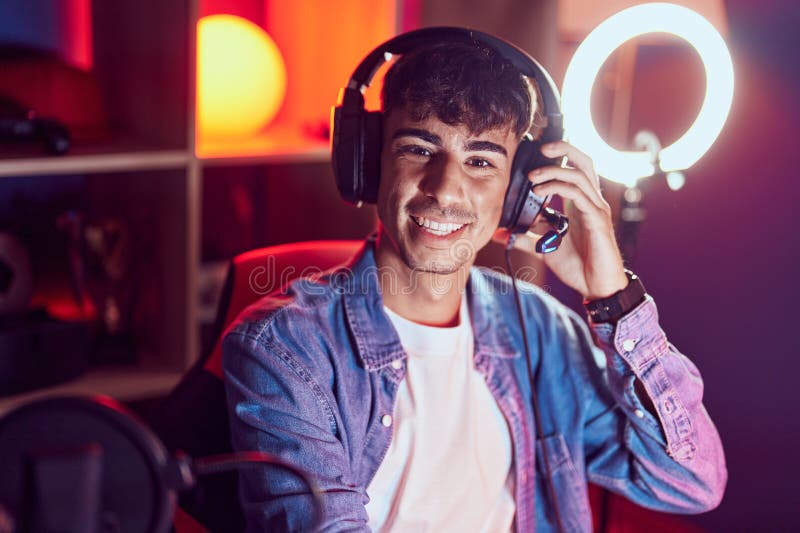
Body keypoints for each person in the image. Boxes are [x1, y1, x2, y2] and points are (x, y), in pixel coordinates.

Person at [222, 30, 726, 532]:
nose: (445, 190)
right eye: (419, 149)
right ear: (368, 161)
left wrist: (613, 299)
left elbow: (692, 481)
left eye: (481, 161)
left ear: (521, 192)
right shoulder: (284, 347)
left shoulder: (541, 330)